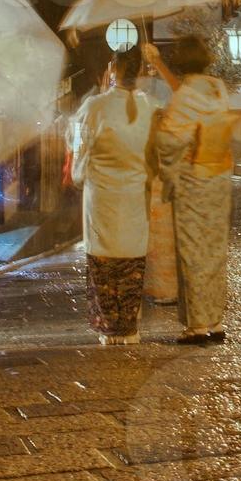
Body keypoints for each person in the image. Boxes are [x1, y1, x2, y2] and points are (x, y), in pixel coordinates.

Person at [149, 35, 239, 344]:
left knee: (193, 250)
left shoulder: (185, 95)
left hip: (194, 179)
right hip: (220, 176)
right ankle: (214, 320)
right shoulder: (218, 88)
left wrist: (160, 123)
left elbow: (170, 141)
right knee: (214, 250)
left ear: (182, 61)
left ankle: (197, 325)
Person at [69, 53, 155, 345]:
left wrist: (79, 173)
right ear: (141, 72)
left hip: (102, 195)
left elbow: (79, 142)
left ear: (113, 71)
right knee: (132, 261)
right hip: (135, 195)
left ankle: (108, 327)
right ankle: (129, 328)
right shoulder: (149, 107)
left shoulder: (95, 106)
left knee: (102, 263)